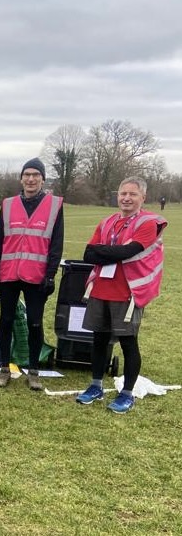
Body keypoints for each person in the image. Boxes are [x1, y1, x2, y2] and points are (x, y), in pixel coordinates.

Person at [76, 177, 166, 413]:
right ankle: (95, 386)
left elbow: (129, 251)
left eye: (132, 194)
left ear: (143, 197)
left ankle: (127, 394)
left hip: (128, 292)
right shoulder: (107, 222)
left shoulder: (149, 222)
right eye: (123, 193)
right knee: (99, 340)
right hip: (101, 288)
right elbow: (88, 254)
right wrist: (115, 252)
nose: (126, 198)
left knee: (128, 343)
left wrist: (105, 251)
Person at [0, 157, 64, 390]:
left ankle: (33, 371)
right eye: (27, 175)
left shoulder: (54, 205)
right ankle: (4, 369)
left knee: (34, 323)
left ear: (42, 179)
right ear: (21, 179)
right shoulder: (8, 204)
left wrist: (50, 275)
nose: (31, 179)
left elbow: (56, 243)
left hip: (37, 275)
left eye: (36, 175)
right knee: (6, 320)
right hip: (9, 273)